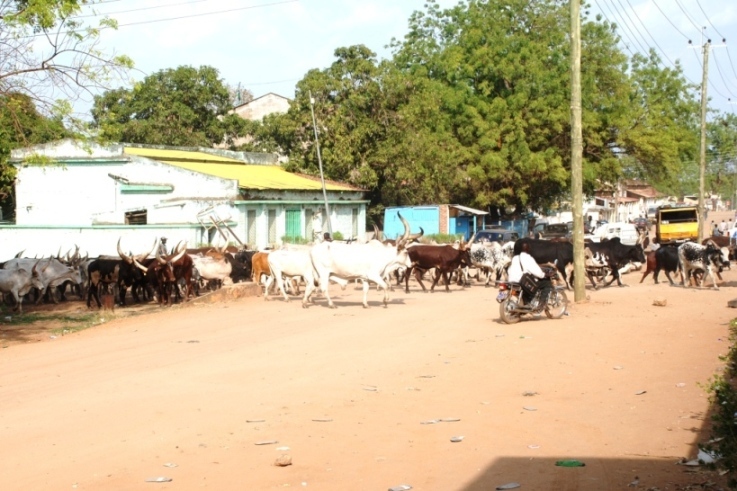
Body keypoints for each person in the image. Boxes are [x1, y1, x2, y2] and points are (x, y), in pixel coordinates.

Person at [508, 242, 552, 311]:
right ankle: (541, 304)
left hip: (512, 280)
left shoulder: (515, 258)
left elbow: (509, 269)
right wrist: (544, 275)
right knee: (546, 283)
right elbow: (536, 271)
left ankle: (527, 302)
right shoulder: (528, 258)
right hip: (522, 281)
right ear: (528, 249)